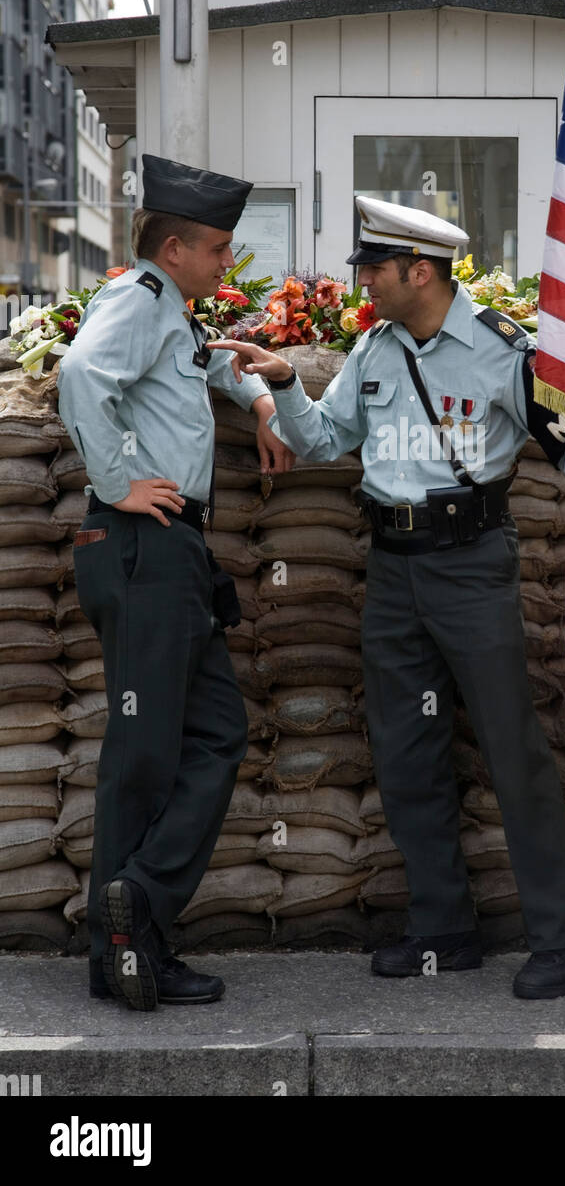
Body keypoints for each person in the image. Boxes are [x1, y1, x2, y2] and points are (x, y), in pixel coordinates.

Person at [210, 195, 565, 1000]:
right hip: (393, 572)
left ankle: (562, 939)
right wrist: (279, 389)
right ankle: (444, 930)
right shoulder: (376, 349)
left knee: (511, 750)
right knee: (407, 752)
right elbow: (322, 442)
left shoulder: (501, 350)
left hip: (472, 564)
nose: (365, 285)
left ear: (421, 271)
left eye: (375, 270)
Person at [56, 153, 291, 1012]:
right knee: (143, 756)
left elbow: (200, 371)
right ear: (176, 246)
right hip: (138, 542)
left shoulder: (173, 314)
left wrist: (263, 403)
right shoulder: (137, 297)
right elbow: (82, 375)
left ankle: (138, 904)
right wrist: (118, 478)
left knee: (216, 732)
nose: (230, 261)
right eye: (221, 249)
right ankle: (125, 949)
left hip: (168, 554)